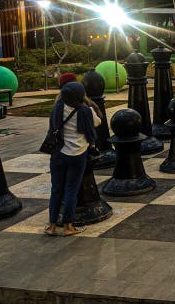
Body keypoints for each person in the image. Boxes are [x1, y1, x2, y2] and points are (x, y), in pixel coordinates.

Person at [45, 81, 101, 236]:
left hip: (58, 154)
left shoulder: (58, 108)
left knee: (56, 189)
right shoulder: (86, 111)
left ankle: (52, 226)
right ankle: (68, 226)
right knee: (71, 190)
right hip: (78, 155)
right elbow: (98, 122)